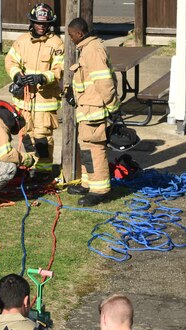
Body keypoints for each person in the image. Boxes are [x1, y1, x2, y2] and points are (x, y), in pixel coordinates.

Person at [65, 17, 121, 207]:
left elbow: (105, 82)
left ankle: (100, 190)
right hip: (87, 109)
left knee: (95, 149)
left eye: (71, 35)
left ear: (79, 34)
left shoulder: (93, 50)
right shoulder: (87, 48)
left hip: (96, 111)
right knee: (86, 147)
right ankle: (88, 183)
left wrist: (111, 108)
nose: (70, 38)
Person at [5, 3, 64, 177]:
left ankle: (43, 172)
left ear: (49, 24)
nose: (41, 26)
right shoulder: (22, 41)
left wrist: (43, 78)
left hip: (45, 102)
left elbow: (60, 69)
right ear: (31, 22)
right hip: (23, 102)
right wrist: (17, 76)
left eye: (44, 24)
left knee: (42, 138)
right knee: (26, 137)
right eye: (37, 22)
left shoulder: (56, 43)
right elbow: (10, 61)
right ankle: (30, 167)